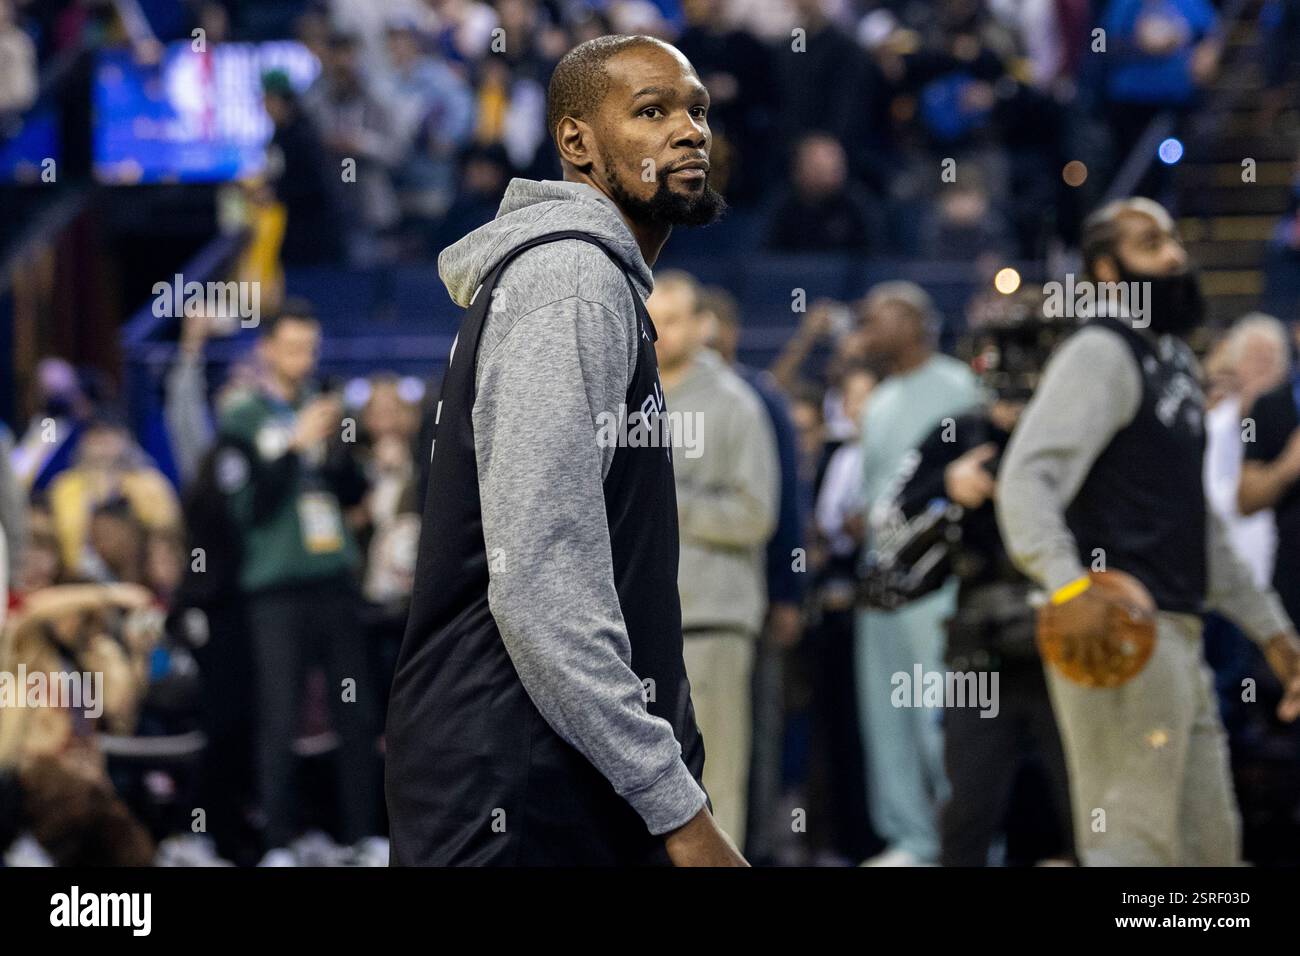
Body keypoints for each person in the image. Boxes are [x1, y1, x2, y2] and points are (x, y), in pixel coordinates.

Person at [386, 34, 742, 866]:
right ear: (576, 142)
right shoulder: (569, 282)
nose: (688, 131)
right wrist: (679, 813)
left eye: (697, 110)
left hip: (544, 769)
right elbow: (541, 580)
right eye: (651, 112)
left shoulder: (586, 281)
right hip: (520, 782)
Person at [997, 197, 1300, 866]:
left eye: (1173, 240)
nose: (1174, 255)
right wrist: (1070, 589)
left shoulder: (1175, 365)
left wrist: (1272, 631)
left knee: (1209, 850)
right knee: (1131, 847)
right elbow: (1025, 480)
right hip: (1118, 626)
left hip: (1178, 632)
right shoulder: (1100, 352)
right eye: (1150, 243)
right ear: (1107, 271)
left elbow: (1203, 531)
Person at [867, 305, 1075, 866]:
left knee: (1086, 802)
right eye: (1003, 390)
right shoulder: (959, 432)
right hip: (980, 643)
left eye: (1026, 389)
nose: (1012, 410)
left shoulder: (1078, 436)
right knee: (966, 810)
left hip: (1068, 637)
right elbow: (889, 519)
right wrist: (948, 491)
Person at [216, 302, 382, 866]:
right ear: (266, 349)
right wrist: (292, 443)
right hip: (275, 588)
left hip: (332, 577)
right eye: (291, 348)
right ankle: (279, 844)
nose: (303, 359)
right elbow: (249, 507)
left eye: (309, 348)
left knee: (354, 712)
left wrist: (334, 447)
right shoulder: (243, 416)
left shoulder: (322, 405)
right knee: (280, 714)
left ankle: (362, 834)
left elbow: (352, 493)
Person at [854, 280, 984, 866]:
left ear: (914, 321)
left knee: (941, 713)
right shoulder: (879, 399)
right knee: (887, 711)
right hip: (879, 578)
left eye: (879, 318)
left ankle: (970, 840)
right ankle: (910, 837)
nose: (868, 330)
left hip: (936, 579)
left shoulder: (960, 386)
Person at [650, 271, 779, 850]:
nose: (659, 331)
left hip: (713, 619)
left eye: (674, 319)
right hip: (640, 628)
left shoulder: (735, 402)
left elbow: (757, 513)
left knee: (717, 782)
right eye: (652, 316)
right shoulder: (629, 393)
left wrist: (675, 505)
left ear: (703, 325)